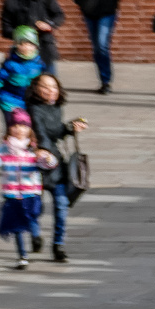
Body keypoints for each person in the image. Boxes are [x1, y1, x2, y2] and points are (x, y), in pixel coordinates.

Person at [25, 73, 88, 264]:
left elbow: (55, 131)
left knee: (61, 206)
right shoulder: (33, 109)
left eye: (54, 87)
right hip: (37, 163)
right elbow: (41, 132)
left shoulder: (57, 107)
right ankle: (36, 235)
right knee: (34, 205)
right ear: (36, 89)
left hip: (56, 165)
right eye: (45, 87)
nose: (50, 91)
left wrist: (70, 127)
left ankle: (58, 245)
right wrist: (43, 150)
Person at [0, 110, 56, 271]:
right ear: (9, 128)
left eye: (23, 126)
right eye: (15, 126)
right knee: (16, 227)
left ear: (29, 129)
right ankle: (22, 256)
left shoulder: (33, 150)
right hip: (12, 194)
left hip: (31, 193)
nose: (19, 129)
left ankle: (36, 236)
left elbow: (46, 164)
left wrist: (49, 159)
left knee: (31, 218)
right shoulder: (4, 149)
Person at [0, 0, 65, 76]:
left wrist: (49, 24)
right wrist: (22, 33)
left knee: (48, 81)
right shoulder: (10, 1)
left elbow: (59, 15)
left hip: (44, 46)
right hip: (24, 51)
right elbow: (5, 29)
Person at [0, 27, 45, 128]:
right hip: (9, 101)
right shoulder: (10, 64)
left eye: (30, 44)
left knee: (30, 129)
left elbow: (46, 82)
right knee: (14, 128)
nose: (26, 48)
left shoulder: (39, 64)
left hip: (30, 102)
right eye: (22, 44)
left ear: (35, 46)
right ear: (17, 45)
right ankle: (10, 142)